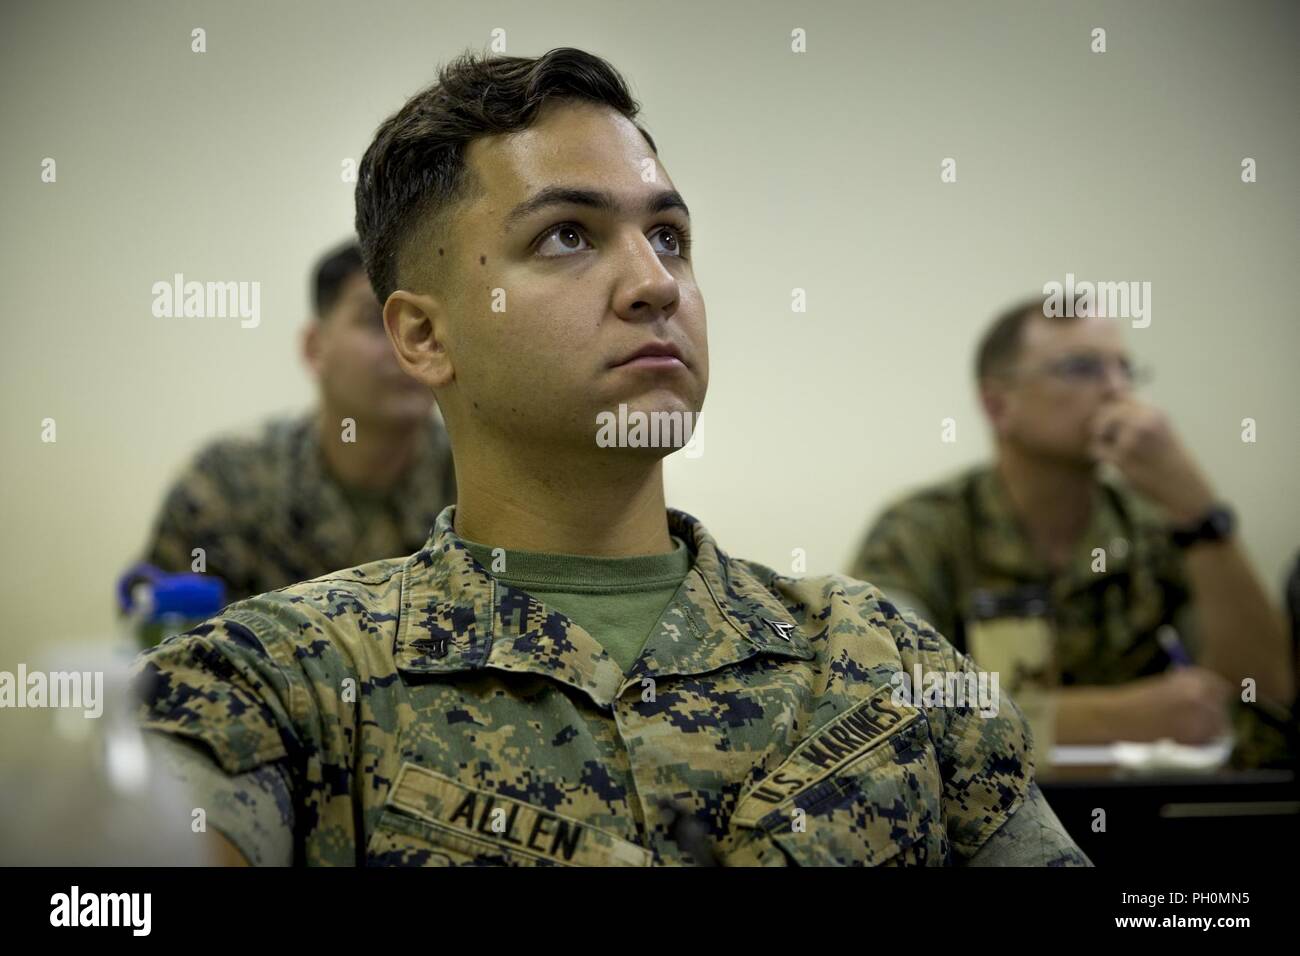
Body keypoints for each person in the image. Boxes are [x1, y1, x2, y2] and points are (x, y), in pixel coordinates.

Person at [130, 47, 1087, 867]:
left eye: (668, 235)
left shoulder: (881, 659)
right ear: (423, 337)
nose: (654, 283)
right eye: (566, 236)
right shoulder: (284, 681)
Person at [849, 295, 1297, 767]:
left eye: (1125, 370)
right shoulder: (923, 531)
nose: (1118, 390)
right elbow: (881, 699)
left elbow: (1265, 701)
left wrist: (1196, 507)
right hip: (979, 830)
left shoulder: (1151, 528)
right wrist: (1118, 717)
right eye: (1083, 368)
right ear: (998, 405)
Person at [140, 242, 456, 603]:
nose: (407, 346)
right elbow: (164, 636)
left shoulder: (476, 483)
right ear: (314, 347)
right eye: (374, 321)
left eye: (424, 326)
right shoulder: (229, 484)